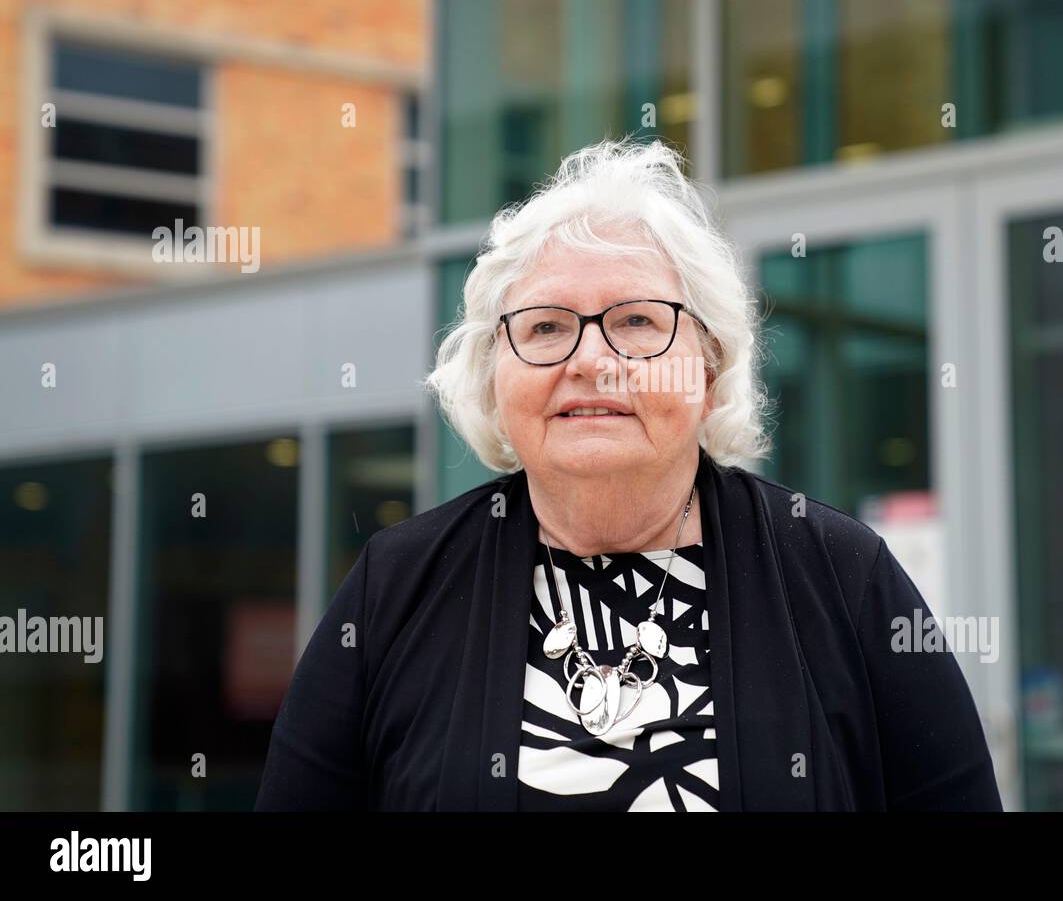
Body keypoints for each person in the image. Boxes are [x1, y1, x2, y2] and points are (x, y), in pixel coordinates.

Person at [255, 136, 1002, 811]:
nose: (588, 360)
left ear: (709, 367)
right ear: (493, 378)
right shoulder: (398, 585)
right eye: (545, 326)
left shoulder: (841, 573)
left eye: (637, 322)